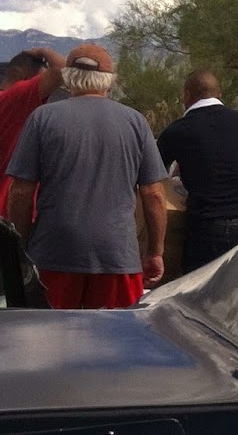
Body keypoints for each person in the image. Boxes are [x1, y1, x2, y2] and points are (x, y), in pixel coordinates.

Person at [4, 44, 167, 307]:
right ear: (110, 82)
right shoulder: (135, 122)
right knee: (115, 342)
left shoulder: (42, 118)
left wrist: (22, 246)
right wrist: (155, 252)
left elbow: (20, 191)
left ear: (68, 79)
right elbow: (154, 195)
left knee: (48, 341)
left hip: (52, 253)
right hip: (117, 257)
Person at [156, 70, 238, 271]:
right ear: (219, 94)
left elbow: (153, 180)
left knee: (200, 298)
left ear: (186, 95)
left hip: (204, 230)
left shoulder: (177, 130)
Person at [0, 48, 65, 221]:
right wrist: (42, 50)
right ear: (25, 79)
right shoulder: (14, 99)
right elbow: (61, 69)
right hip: (5, 215)